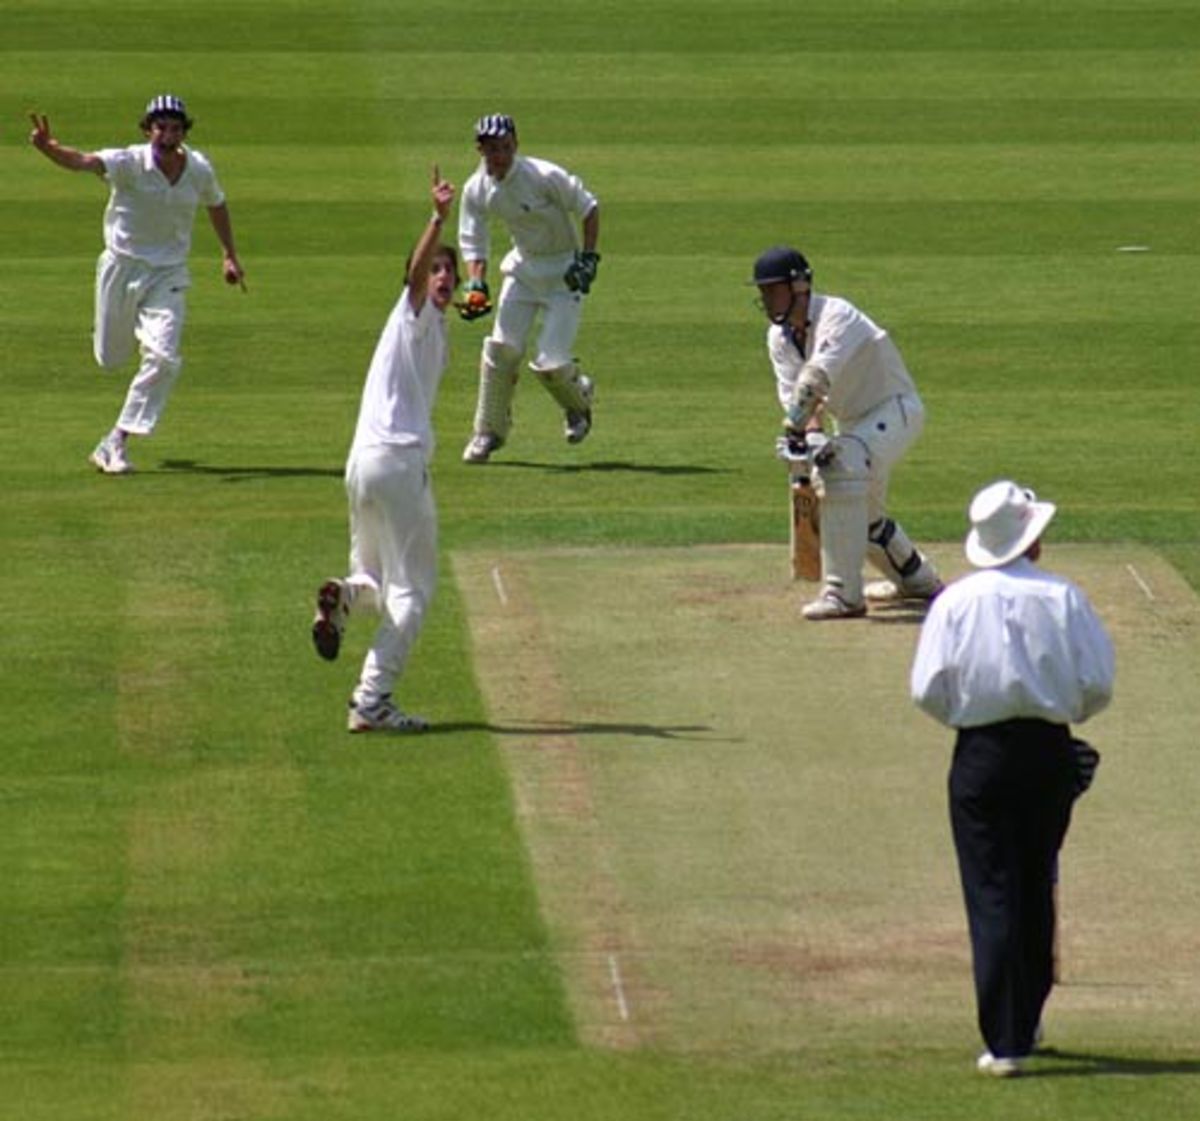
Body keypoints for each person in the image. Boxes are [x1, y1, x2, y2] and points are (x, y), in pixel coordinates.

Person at [910, 480, 1116, 1077]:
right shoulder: (1064, 597)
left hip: (981, 754)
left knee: (992, 889)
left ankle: (1007, 1037)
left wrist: (971, 720)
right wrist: (1060, 713)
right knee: (1033, 878)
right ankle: (1024, 1018)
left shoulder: (956, 601)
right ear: (1033, 542)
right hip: (1049, 750)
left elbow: (927, 688)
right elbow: (1097, 683)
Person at [310, 167, 459, 734]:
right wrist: (437, 219)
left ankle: (342, 596)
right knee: (413, 592)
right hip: (397, 464)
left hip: (362, 466)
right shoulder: (411, 315)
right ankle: (372, 700)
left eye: (448, 271)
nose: (441, 278)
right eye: (435, 270)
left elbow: (444, 291)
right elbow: (415, 278)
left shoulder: (435, 330)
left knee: (372, 579)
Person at [28, 95, 245, 475]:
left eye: (175, 128)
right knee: (111, 358)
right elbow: (85, 162)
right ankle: (120, 324)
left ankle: (115, 441)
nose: (168, 135)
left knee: (164, 357)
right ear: (148, 130)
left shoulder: (198, 168)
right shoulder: (128, 162)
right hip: (122, 268)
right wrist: (50, 149)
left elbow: (216, 203)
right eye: (161, 128)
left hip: (169, 275)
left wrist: (229, 254)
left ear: (184, 132)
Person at [751, 246, 942, 620]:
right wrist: (811, 438)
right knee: (861, 516)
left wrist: (798, 432)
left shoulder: (838, 315)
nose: (767, 299)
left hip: (895, 409)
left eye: (773, 289)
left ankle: (842, 593)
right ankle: (917, 580)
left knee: (841, 471)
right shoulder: (778, 338)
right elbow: (795, 398)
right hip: (852, 426)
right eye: (763, 292)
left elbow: (814, 381)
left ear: (800, 286)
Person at [457, 113, 601, 464]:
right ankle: (488, 432)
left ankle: (578, 405)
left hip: (563, 274)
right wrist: (477, 283)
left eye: (507, 148)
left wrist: (588, 258)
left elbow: (588, 207)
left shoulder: (543, 175)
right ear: (480, 150)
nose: (501, 156)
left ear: (516, 145)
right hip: (523, 271)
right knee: (501, 349)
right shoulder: (476, 189)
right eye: (494, 150)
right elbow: (473, 238)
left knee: (550, 362)